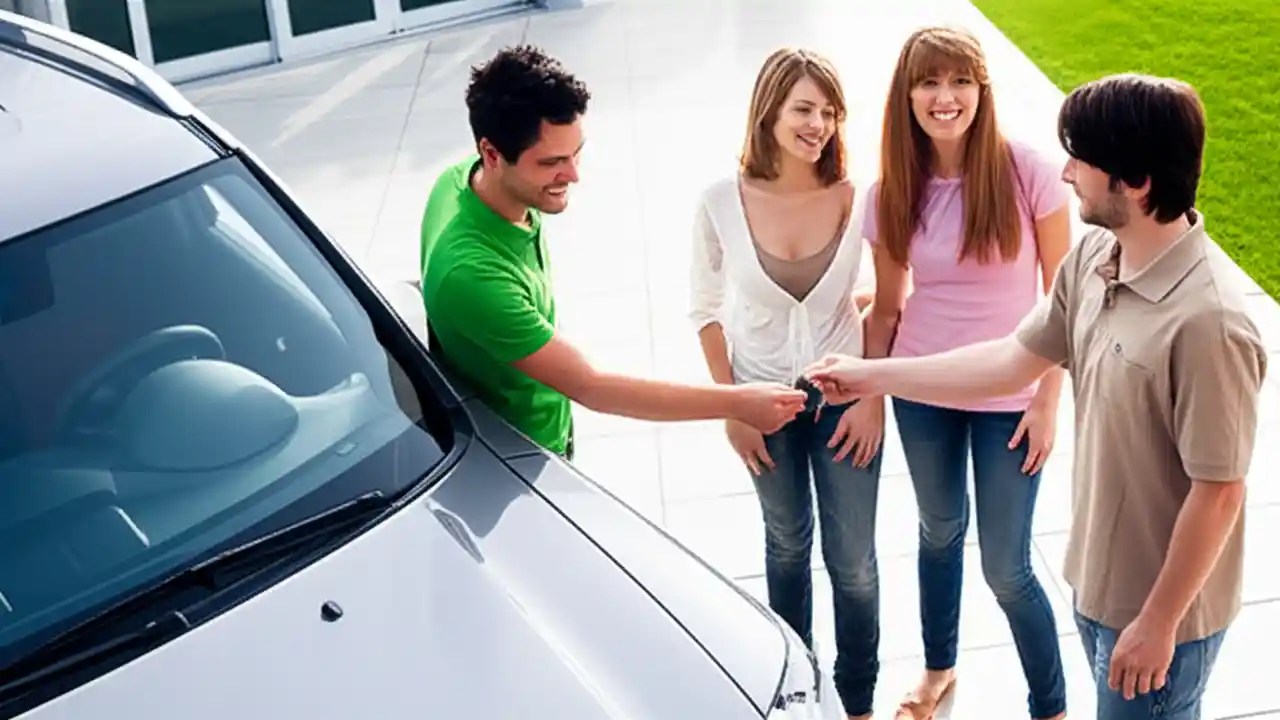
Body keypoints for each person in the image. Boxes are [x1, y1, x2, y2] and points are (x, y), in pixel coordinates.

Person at [806, 72, 1267, 720]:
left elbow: (1219, 491)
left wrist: (1159, 622)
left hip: (1164, 618)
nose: (1069, 172)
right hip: (1100, 584)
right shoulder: (1099, 258)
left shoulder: (1209, 322)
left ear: (1134, 183)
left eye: (1082, 158)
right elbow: (1009, 361)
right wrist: (873, 375)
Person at [420, 45, 806, 460]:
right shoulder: (472, 276)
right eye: (552, 162)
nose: (573, 175)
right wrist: (737, 403)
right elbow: (593, 386)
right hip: (519, 456)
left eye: (576, 153)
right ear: (492, 154)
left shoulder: (464, 180)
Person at [859, 26, 1073, 720]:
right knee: (939, 531)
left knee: (1007, 565)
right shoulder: (890, 190)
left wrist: (1047, 400)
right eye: (929, 82)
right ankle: (938, 670)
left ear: (982, 90)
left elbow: (1062, 300)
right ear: (908, 94)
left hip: (1012, 392)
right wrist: (867, 391)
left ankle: (1053, 705)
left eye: (959, 81)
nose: (944, 97)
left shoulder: (1029, 171)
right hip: (923, 388)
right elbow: (888, 308)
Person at [689, 47, 884, 720]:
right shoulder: (720, 201)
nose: (819, 125)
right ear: (769, 110)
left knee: (854, 562)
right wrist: (731, 409)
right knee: (787, 544)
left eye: (829, 112)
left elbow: (890, 298)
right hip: (760, 397)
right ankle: (797, 691)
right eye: (804, 108)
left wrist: (874, 398)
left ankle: (856, 702)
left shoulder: (858, 197)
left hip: (845, 399)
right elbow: (704, 311)